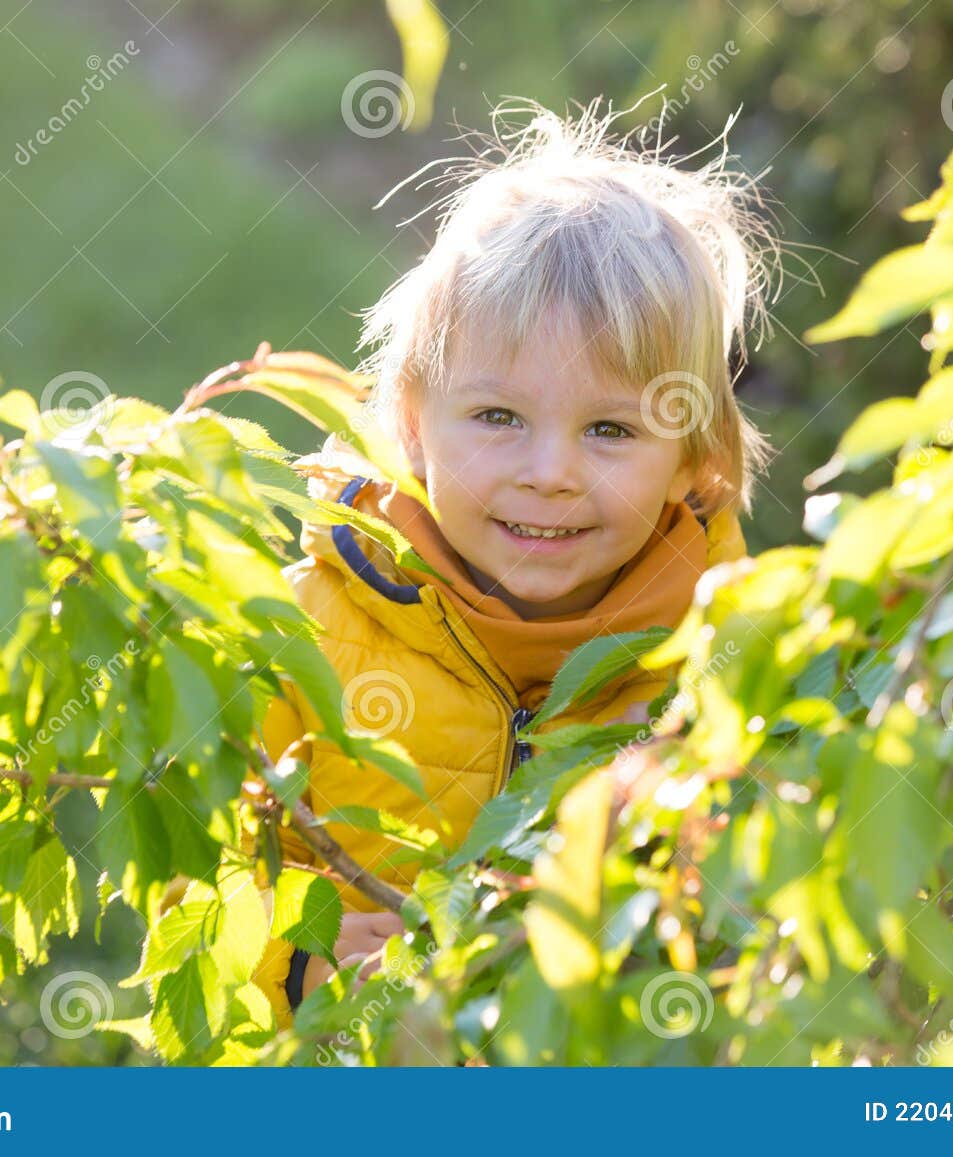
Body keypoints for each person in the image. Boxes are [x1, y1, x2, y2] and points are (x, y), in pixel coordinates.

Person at [250, 97, 781, 1026]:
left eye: (610, 429)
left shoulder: (728, 661)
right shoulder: (301, 633)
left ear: (695, 455)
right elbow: (195, 873)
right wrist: (298, 958)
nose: (550, 475)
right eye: (498, 417)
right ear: (412, 421)